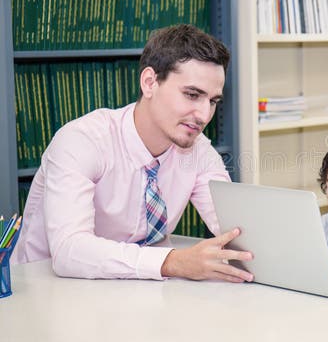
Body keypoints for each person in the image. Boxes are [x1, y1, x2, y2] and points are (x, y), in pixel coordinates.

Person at [12, 24, 254, 283]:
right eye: (192, 94)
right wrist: (172, 262)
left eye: (213, 101)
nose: (205, 115)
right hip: (43, 290)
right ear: (149, 82)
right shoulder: (82, 141)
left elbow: (234, 230)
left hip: (133, 292)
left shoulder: (197, 149)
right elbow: (70, 251)